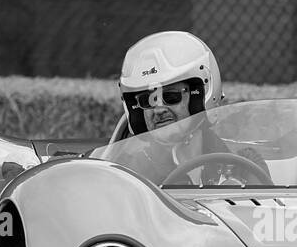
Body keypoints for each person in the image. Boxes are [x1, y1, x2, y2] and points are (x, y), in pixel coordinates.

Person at [112, 31, 267, 185]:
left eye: (171, 97)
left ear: (198, 96)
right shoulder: (125, 173)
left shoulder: (243, 167)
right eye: (147, 100)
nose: (159, 110)